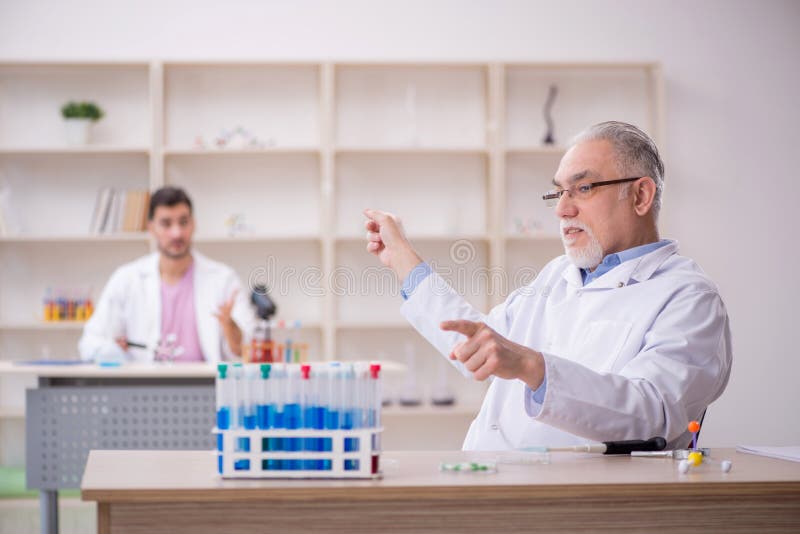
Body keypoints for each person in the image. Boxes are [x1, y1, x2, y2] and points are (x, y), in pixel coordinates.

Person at [364, 121, 732, 451]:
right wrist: (400, 257)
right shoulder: (558, 274)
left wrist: (532, 366)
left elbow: (653, 412)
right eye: (559, 193)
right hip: (491, 484)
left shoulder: (688, 297)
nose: (562, 209)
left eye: (583, 188)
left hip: (582, 506)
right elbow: (477, 345)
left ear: (640, 196)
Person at [79, 187, 255, 363]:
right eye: (166, 223)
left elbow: (245, 350)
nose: (176, 233)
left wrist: (229, 325)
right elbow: (89, 343)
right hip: (145, 386)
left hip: (206, 386)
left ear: (193, 224)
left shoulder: (223, 279)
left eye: (183, 222)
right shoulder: (126, 279)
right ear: (151, 228)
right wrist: (113, 351)